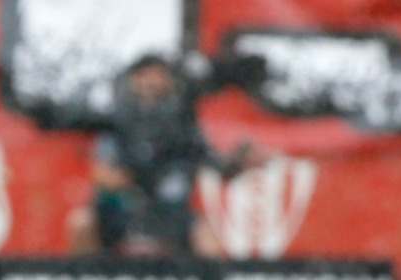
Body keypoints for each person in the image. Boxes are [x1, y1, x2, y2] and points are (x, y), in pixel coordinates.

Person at [69, 53, 265, 258]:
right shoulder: (115, 121)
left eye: (158, 76)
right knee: (81, 222)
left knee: (206, 236)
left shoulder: (184, 126)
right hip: (122, 212)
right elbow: (104, 174)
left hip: (170, 213)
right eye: (144, 76)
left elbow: (216, 165)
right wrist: (145, 172)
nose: (151, 82)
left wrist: (240, 162)